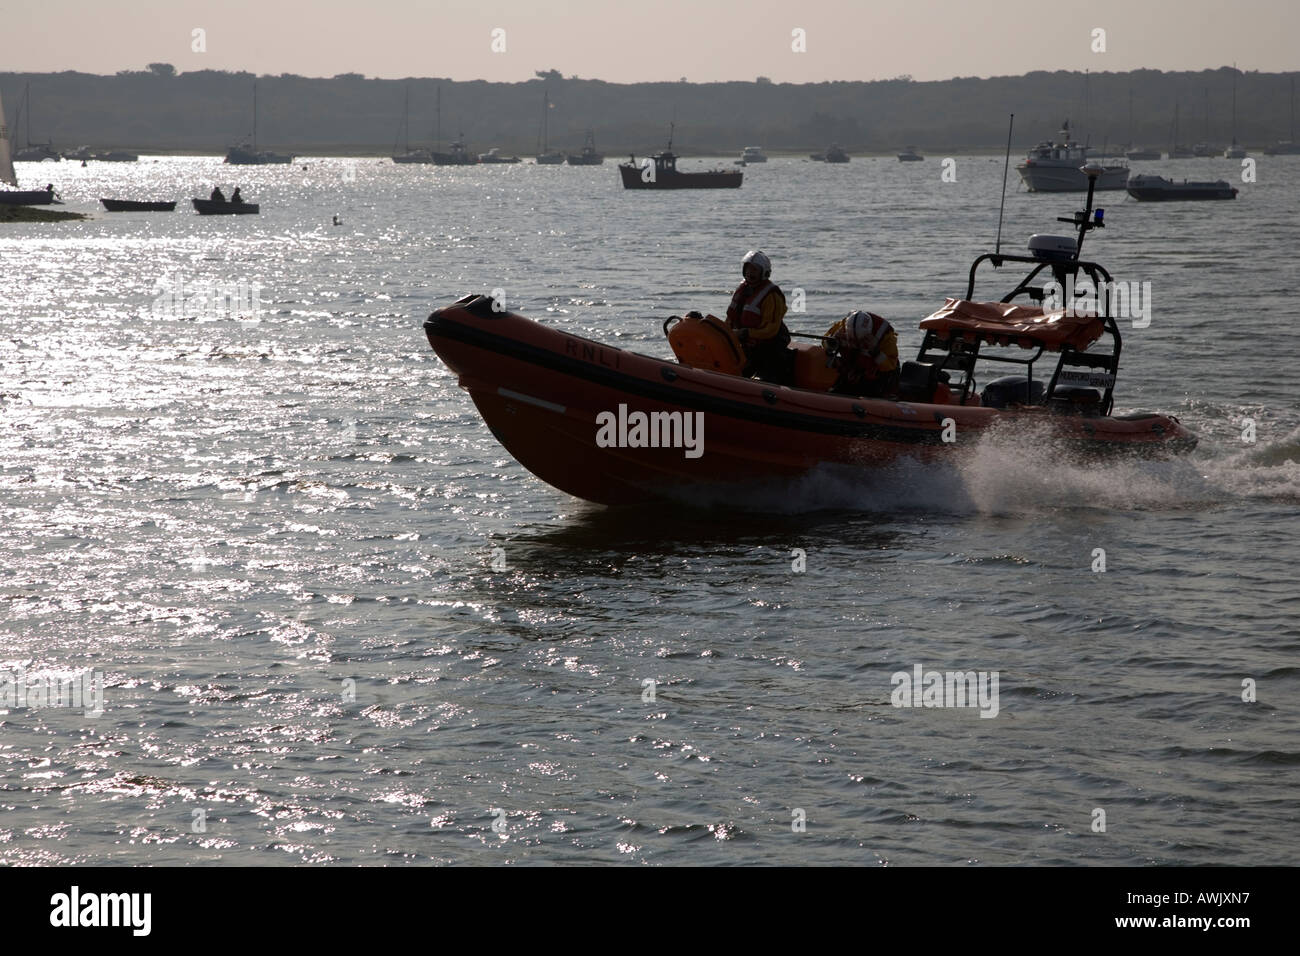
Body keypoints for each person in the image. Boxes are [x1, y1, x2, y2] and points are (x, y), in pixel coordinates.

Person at [725, 250, 793, 384]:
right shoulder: (743, 290)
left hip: (769, 348)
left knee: (765, 374)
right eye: (748, 269)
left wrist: (745, 333)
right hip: (747, 346)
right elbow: (730, 319)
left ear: (764, 273)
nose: (750, 273)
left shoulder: (771, 296)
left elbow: (771, 330)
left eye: (755, 270)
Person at [826, 310, 900, 398]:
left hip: (876, 375)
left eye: (861, 340)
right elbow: (824, 342)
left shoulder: (885, 335)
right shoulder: (841, 327)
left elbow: (890, 365)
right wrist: (832, 342)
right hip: (851, 370)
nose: (857, 343)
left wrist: (875, 352)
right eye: (852, 340)